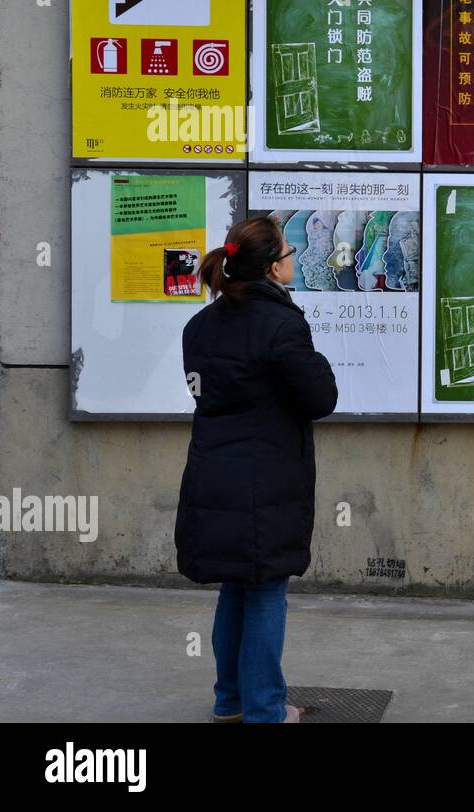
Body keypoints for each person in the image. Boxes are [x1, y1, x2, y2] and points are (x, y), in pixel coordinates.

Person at [174, 216, 338, 724]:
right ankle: (266, 709)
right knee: (266, 588)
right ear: (272, 268)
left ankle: (231, 701)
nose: (293, 259)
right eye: (289, 252)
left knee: (235, 587)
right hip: (263, 481)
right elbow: (319, 397)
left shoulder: (199, 326)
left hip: (212, 476)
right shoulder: (281, 323)